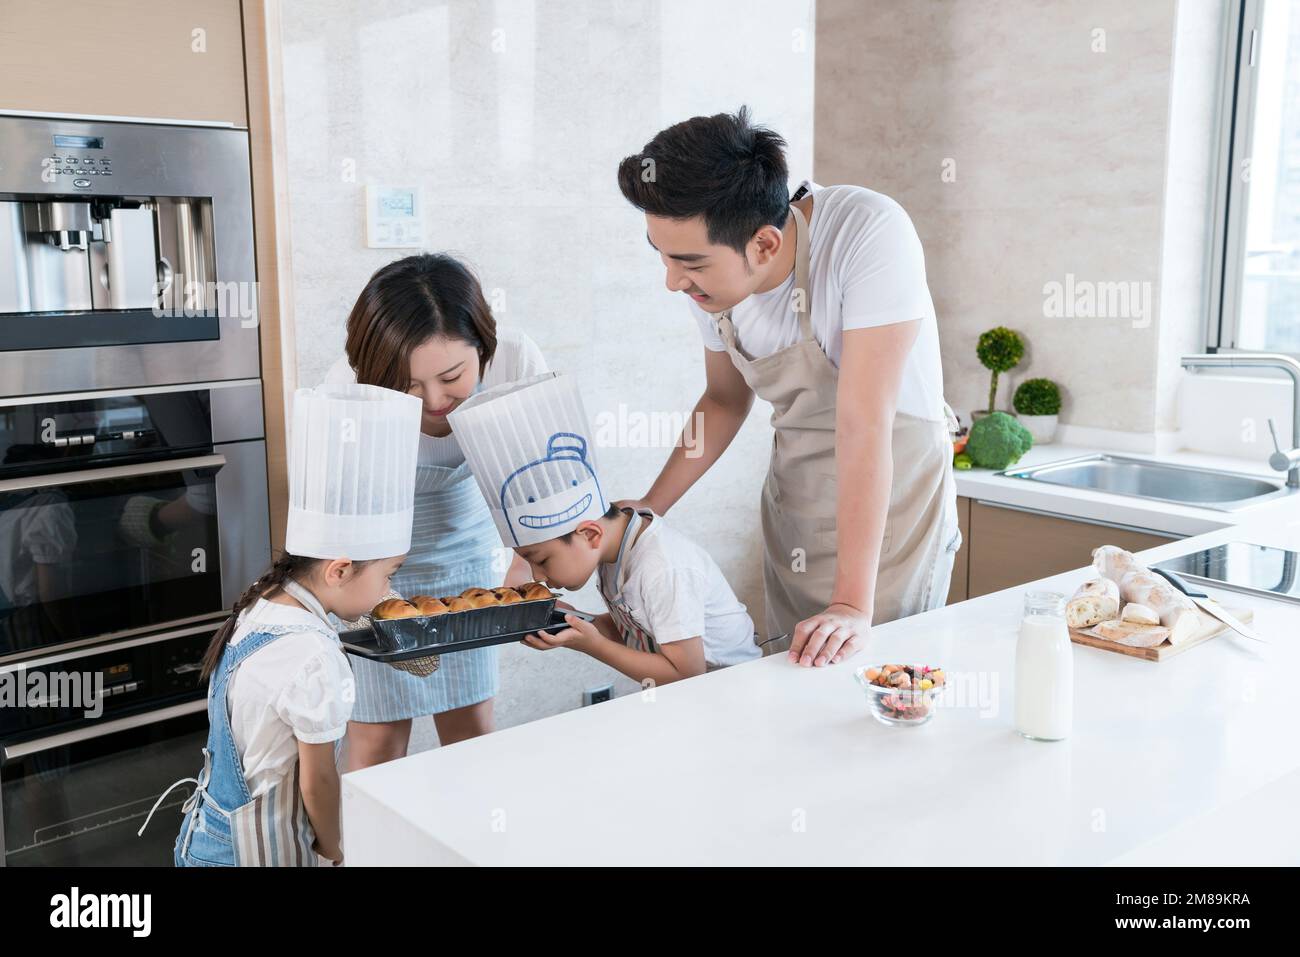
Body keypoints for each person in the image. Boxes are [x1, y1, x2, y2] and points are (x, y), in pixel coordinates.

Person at [616, 107, 961, 669]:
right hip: (797, 502)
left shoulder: (868, 232)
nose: (672, 281)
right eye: (661, 255)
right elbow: (724, 401)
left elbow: (863, 422)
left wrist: (851, 602)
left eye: (689, 264)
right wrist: (649, 511)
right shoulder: (712, 284)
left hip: (892, 509)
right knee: (794, 685)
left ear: (765, 246)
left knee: (884, 687)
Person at [142, 383, 422, 866]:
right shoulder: (316, 658)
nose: (387, 593)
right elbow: (318, 781)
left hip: (202, 841)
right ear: (339, 569)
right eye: (388, 575)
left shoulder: (263, 605)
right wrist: (335, 848)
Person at [324, 253, 548, 765]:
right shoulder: (346, 390)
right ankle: (366, 848)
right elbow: (342, 521)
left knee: (470, 724)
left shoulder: (514, 359)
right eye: (408, 385)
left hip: (467, 557)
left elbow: (538, 479)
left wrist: (524, 563)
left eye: (452, 376)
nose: (434, 401)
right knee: (376, 738)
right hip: (370, 564)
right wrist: (379, 602)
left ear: (483, 345)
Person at [449, 372, 759, 684]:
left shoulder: (661, 570)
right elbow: (633, 630)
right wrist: (573, 624)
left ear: (590, 534)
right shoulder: (614, 550)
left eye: (541, 560)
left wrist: (593, 646)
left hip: (729, 694)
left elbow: (686, 673)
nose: (538, 576)